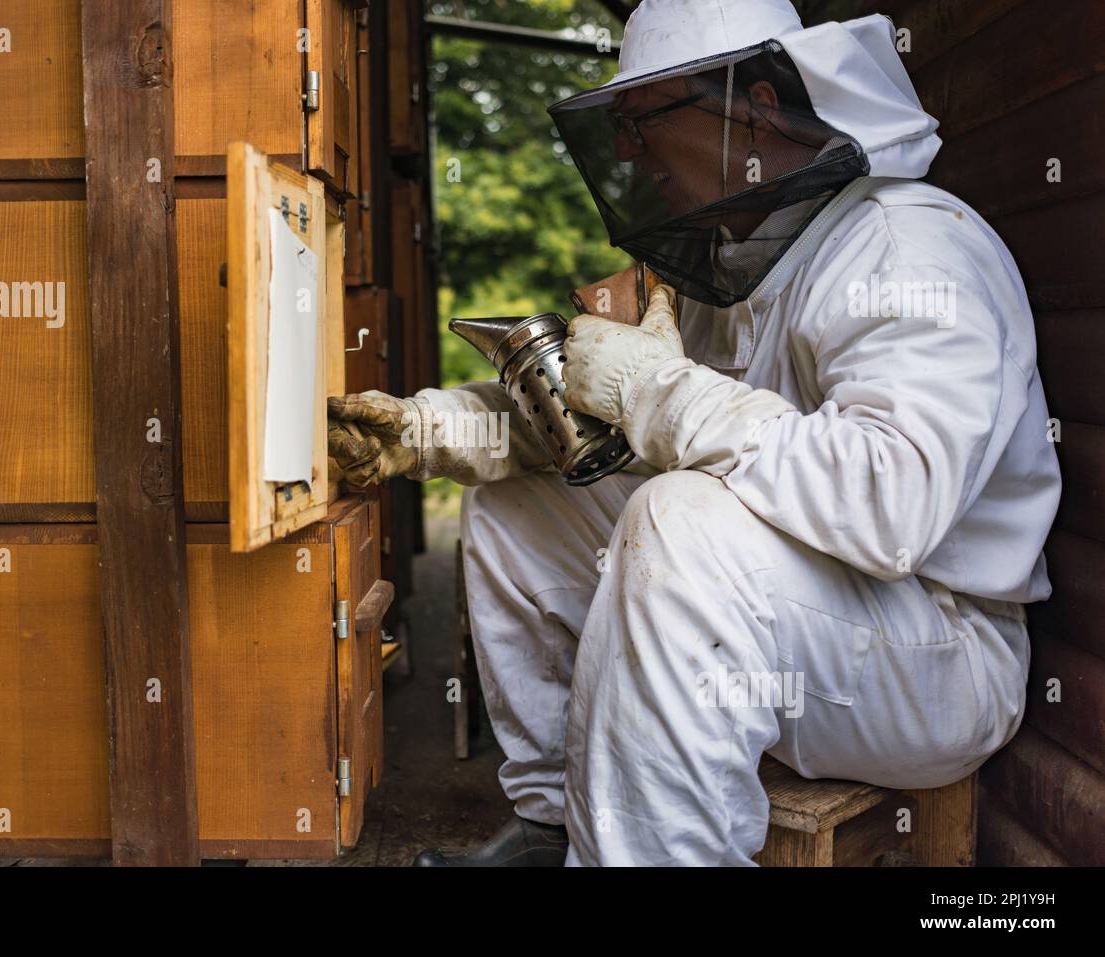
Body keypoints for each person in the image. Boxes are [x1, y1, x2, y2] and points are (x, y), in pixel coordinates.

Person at [327, 0, 1061, 866]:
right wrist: (425, 428)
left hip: (934, 656)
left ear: (750, 105)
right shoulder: (747, 261)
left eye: (645, 120)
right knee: (516, 512)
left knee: (676, 522)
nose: (629, 152)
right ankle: (553, 828)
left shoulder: (905, 251)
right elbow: (604, 422)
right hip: (801, 616)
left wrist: (658, 388)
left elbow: (890, 501)